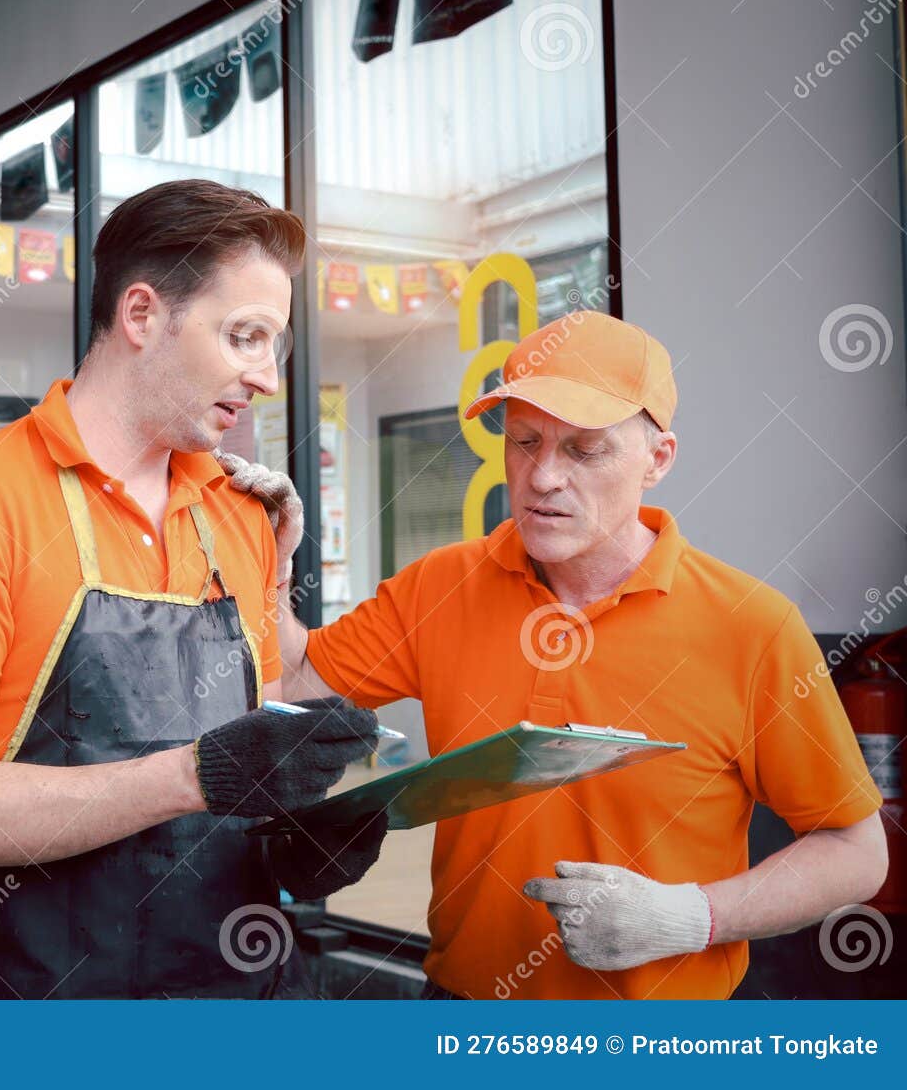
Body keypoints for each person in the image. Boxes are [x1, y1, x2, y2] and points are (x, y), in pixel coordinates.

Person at [222, 309, 887, 998]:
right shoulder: (442, 585)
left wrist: (692, 917)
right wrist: (270, 570)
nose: (541, 478)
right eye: (525, 441)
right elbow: (297, 681)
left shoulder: (752, 627)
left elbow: (856, 853)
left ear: (658, 460)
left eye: (583, 450)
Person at [0, 179, 388, 999]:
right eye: (245, 337)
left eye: (274, 345)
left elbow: (251, 772)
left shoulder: (242, 517)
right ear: (141, 315)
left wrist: (307, 840)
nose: (265, 377)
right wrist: (193, 778)